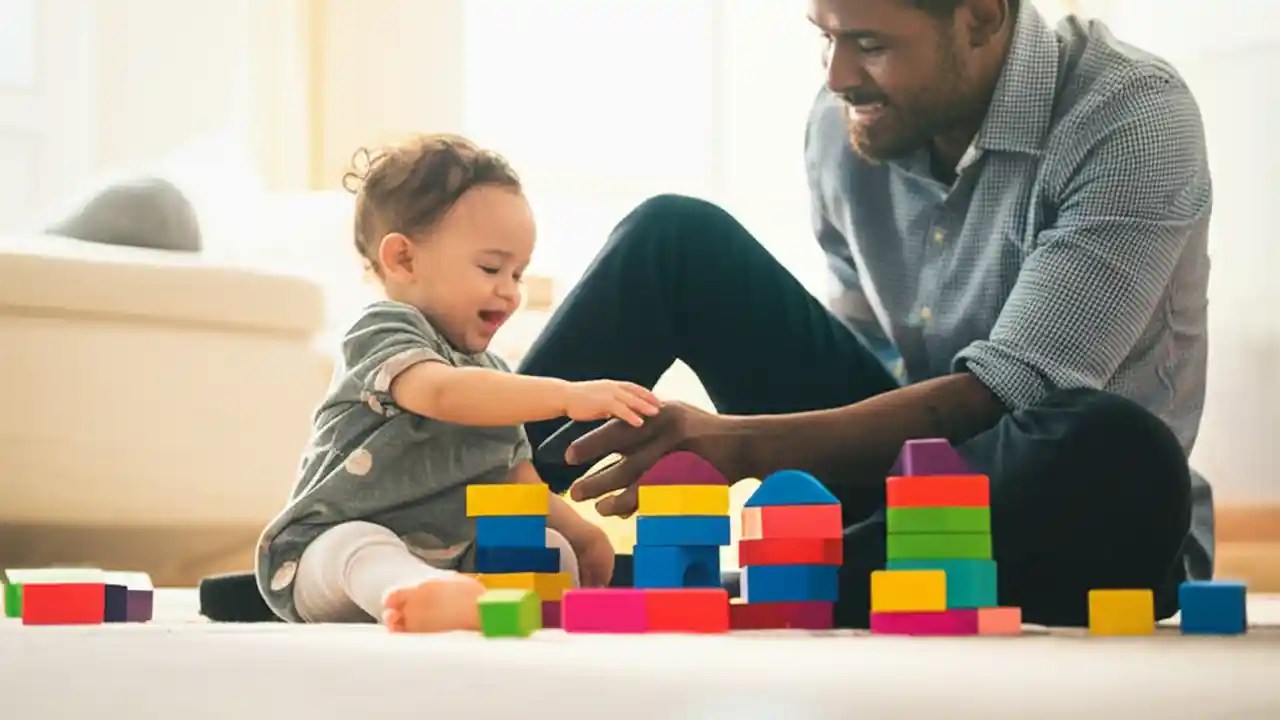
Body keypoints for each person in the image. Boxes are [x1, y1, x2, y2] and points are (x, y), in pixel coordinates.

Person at [519, 0, 1213, 629]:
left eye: (870, 44)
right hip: (898, 496)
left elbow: (1008, 393)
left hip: (1051, 505)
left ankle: (768, 586)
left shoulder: (1129, 114)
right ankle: (458, 506)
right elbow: (862, 353)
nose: (838, 75)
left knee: (1118, 443)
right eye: (824, 37)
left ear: (979, 17)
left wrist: (741, 442)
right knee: (674, 237)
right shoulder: (846, 125)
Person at [254, 134, 660, 631]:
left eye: (518, 273)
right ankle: (408, 591)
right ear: (403, 260)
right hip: (324, 557)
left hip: (453, 557)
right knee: (356, 544)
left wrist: (581, 532)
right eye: (491, 267)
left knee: (546, 546)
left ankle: (490, 610)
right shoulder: (383, 330)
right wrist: (566, 395)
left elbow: (516, 480)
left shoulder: (492, 375)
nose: (510, 292)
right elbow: (439, 392)